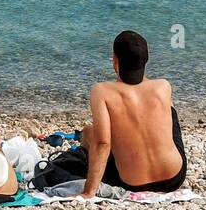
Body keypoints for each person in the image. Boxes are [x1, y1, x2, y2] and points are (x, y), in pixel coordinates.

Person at [79, 31, 187, 198]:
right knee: (167, 108)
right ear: (146, 61)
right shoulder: (163, 86)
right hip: (174, 177)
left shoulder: (101, 92)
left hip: (132, 183)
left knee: (88, 132)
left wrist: (89, 191)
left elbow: (102, 143)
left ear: (115, 61)